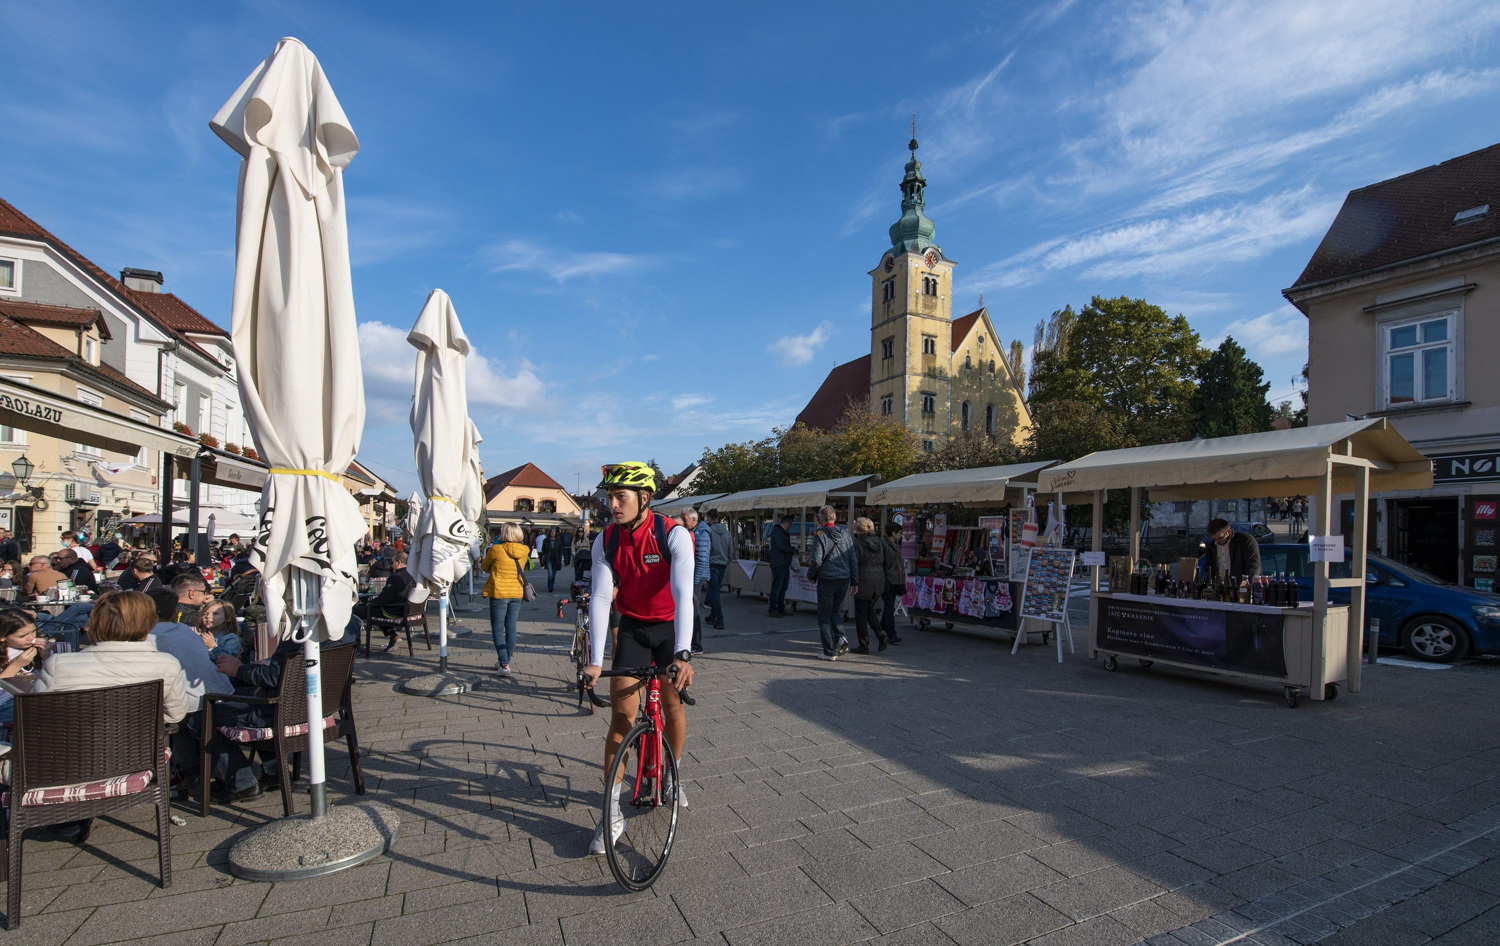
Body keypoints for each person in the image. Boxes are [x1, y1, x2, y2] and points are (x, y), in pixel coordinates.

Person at [582, 462, 694, 855]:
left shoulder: (673, 534)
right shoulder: (606, 540)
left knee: (672, 705)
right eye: (609, 497)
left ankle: (672, 775)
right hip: (632, 627)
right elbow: (600, 598)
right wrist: (596, 660)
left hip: (670, 628)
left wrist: (683, 653)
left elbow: (683, 595)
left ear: (644, 498)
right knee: (621, 716)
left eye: (620, 497)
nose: (612, 504)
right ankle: (611, 812)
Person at [146, 588, 233, 715]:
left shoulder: (147, 636)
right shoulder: (184, 629)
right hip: (221, 692)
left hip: (192, 706)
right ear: (174, 613)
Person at [807, 505, 857, 660]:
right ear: (834, 517)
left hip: (827, 579)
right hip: (843, 579)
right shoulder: (845, 534)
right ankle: (840, 637)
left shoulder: (820, 535)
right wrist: (855, 581)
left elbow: (816, 560)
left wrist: (811, 575)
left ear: (820, 519)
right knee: (834, 610)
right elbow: (853, 559)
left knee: (824, 615)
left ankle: (829, 651)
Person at [480, 525, 531, 675]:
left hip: (499, 592)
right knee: (511, 628)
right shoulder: (525, 550)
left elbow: (484, 567)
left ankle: (504, 664)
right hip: (516, 592)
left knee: (497, 628)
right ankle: (505, 660)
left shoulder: (496, 549)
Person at [352, 550, 414, 653]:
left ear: (398, 562)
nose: (391, 565)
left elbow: (384, 599)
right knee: (376, 610)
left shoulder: (396, 577)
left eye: (392, 562)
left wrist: (370, 603)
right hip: (406, 610)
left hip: (393, 611)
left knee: (353, 612)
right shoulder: (412, 576)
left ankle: (354, 644)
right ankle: (393, 636)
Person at [0, 607, 53, 726]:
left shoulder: (43, 647)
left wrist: (47, 657)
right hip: (9, 703)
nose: (31, 638)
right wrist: (16, 665)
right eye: (22, 636)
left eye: (33, 631)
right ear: (3, 637)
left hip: (38, 698)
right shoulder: (7, 653)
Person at [851, 517, 889, 654]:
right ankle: (881, 634)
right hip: (878, 579)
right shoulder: (880, 542)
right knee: (868, 610)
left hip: (864, 579)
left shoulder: (857, 544)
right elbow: (886, 561)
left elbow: (854, 564)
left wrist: (853, 582)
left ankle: (864, 644)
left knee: (861, 613)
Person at [680, 508, 707, 654]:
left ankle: (696, 645)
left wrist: (694, 581)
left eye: (685, 519)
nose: (683, 523)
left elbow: (702, 559)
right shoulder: (694, 532)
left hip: (697, 578)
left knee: (694, 611)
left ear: (693, 519)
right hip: (694, 578)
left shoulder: (701, 534)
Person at [704, 509, 731, 630]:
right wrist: (726, 560)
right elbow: (731, 550)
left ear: (709, 518)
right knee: (714, 591)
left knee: (714, 593)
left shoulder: (709, 531)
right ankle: (712, 616)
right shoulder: (727, 532)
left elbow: (706, 549)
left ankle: (719, 619)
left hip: (712, 565)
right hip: (722, 565)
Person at [881, 522, 905, 645]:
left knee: (889, 606)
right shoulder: (884, 545)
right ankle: (891, 634)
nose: (901, 535)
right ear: (894, 533)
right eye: (900, 533)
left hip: (895, 579)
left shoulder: (895, 545)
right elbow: (883, 563)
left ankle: (881, 628)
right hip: (887, 579)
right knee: (889, 607)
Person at [767, 514, 795, 618]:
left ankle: (780, 608)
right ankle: (773, 609)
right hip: (780, 563)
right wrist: (792, 549)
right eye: (790, 523)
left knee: (782, 587)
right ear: (786, 523)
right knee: (778, 587)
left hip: (782, 562)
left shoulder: (779, 532)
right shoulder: (778, 532)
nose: (790, 526)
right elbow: (780, 546)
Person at [541, 527, 564, 594]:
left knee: (553, 574)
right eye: (551, 531)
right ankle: (550, 587)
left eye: (554, 531)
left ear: (556, 533)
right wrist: (544, 555)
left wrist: (560, 558)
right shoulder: (546, 540)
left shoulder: (558, 541)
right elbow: (543, 549)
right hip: (549, 559)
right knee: (550, 574)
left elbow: (560, 550)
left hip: (556, 559)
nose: (552, 532)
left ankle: (551, 585)